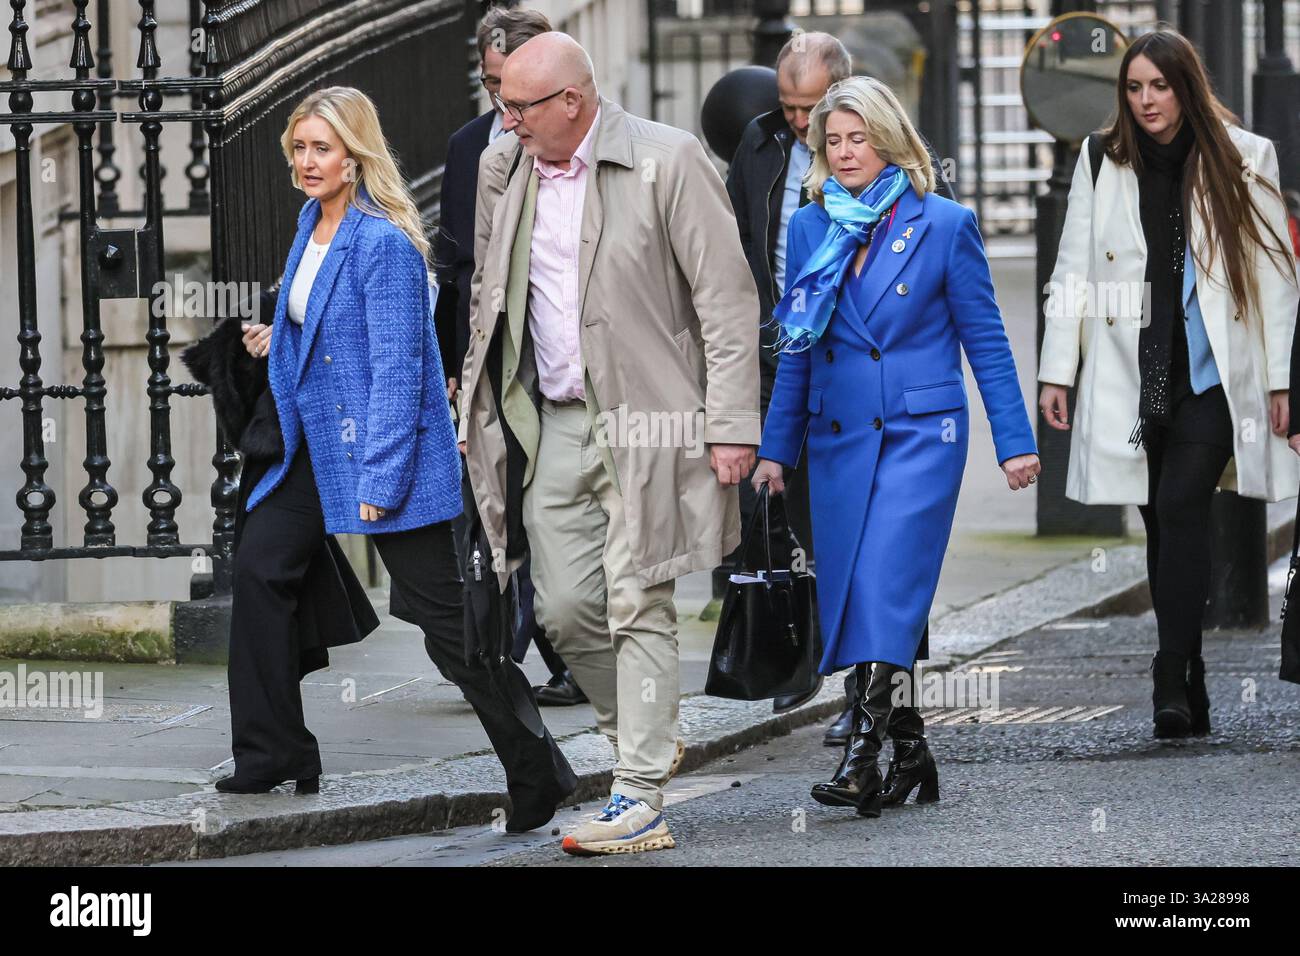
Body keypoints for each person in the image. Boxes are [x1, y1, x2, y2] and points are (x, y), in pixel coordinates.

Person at [219, 87, 576, 834]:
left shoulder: (383, 243)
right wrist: (275, 338)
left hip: (387, 459)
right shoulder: (308, 225)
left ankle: (536, 768)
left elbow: (397, 372)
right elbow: (319, 333)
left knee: (452, 632)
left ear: (355, 156)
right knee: (256, 573)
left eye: (323, 148)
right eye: (300, 148)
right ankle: (273, 751)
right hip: (313, 450)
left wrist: (382, 481)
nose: (308, 162)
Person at [458, 33, 760, 854]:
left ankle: (638, 792)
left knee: (637, 599)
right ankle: (645, 734)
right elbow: (494, 296)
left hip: (651, 419)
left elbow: (727, 301)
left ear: (572, 103)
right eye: (502, 103)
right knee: (562, 609)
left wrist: (732, 422)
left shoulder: (669, 160)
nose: (505, 118)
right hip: (552, 418)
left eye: (519, 106)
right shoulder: (505, 168)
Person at [752, 76, 1039, 817]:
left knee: (883, 583)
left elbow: (987, 341)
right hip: (841, 438)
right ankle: (912, 751)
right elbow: (799, 345)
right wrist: (776, 449)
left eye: (859, 137)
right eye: (833, 141)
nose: (846, 152)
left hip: (922, 434)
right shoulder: (812, 228)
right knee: (867, 595)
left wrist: (1014, 441)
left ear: (888, 139)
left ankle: (863, 754)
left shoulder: (944, 223)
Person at [1039, 29, 1299, 739]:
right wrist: (1057, 367)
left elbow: (1278, 280)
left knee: (1182, 502)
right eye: (1134, 87)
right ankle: (1192, 675)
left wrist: (1282, 381)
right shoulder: (1102, 159)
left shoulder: (1245, 158)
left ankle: (1167, 672)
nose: (1147, 100)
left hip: (1215, 374)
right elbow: (1073, 271)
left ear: (1187, 87)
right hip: (1136, 373)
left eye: (1160, 85)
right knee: (1160, 519)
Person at [725, 33, 955, 728]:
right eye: (791, 107)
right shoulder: (759, 148)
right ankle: (817, 673)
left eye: (812, 107)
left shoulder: (904, 176)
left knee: (886, 550)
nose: (801, 122)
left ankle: (882, 707)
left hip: (886, 393)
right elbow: (742, 251)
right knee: (815, 534)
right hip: (791, 360)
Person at [432, 5, 584, 707]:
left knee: (549, 514)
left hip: (560, 363)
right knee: (498, 509)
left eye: (511, 87)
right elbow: (459, 262)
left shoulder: (585, 149)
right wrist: (458, 362)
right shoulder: (470, 147)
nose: (501, 102)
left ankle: (568, 652)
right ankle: (503, 649)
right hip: (489, 358)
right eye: (491, 83)